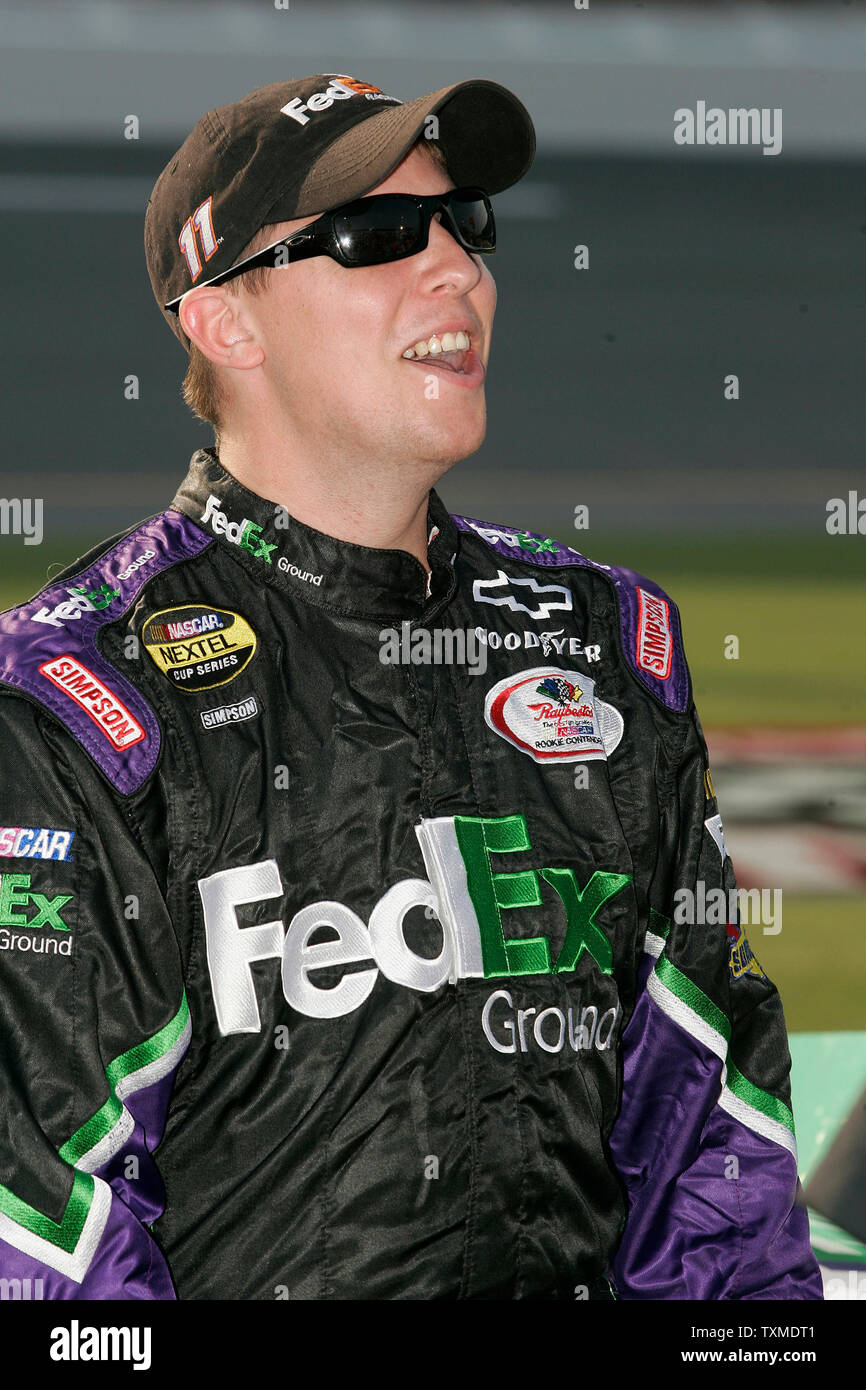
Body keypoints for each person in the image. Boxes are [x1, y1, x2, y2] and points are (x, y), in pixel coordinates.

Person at [0, 73, 821, 1300]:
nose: (456, 271)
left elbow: (707, 1135)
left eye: (463, 225)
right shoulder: (74, 700)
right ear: (225, 321)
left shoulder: (610, 641)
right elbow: (47, 1230)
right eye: (379, 236)